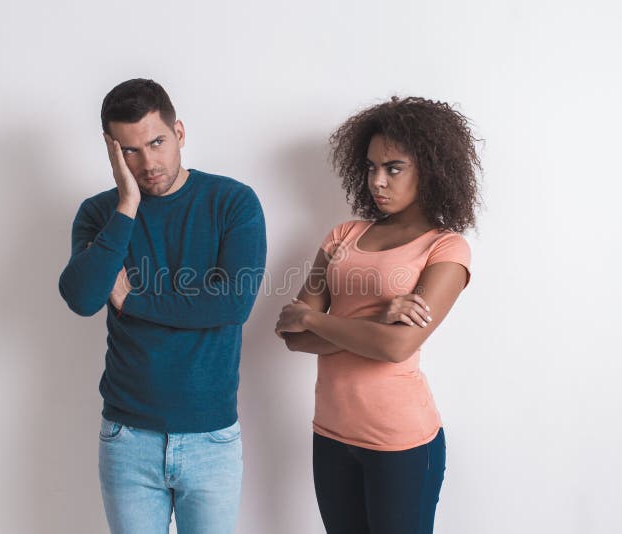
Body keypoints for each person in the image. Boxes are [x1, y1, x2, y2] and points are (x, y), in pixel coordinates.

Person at [58, 78, 267, 534]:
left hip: (211, 436)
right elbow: (81, 297)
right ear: (113, 153)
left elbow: (232, 304)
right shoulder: (100, 214)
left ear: (180, 133)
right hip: (128, 438)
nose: (149, 162)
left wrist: (133, 299)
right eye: (132, 151)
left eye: (158, 142)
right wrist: (127, 205)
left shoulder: (232, 203)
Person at [275, 96, 481, 534]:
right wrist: (378, 320)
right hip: (330, 433)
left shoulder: (445, 249)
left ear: (429, 167)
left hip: (400, 441)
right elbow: (290, 332)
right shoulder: (344, 235)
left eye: (393, 168)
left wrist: (315, 320)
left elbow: (397, 345)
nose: (377, 181)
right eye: (370, 167)